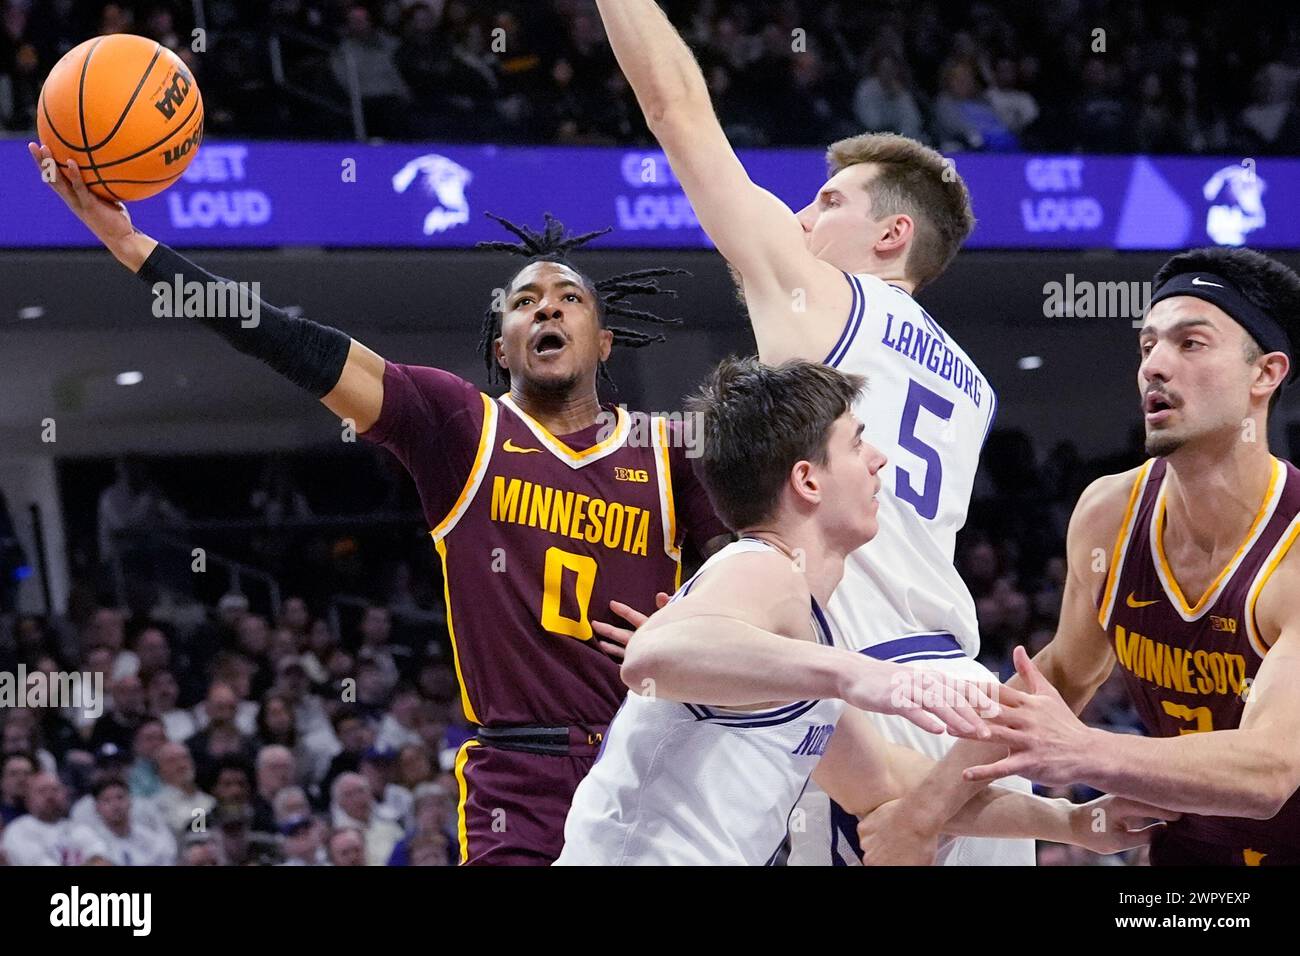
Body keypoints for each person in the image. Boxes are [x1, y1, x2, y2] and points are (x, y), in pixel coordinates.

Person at [31, 144, 730, 864]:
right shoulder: (458, 425)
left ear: (605, 341)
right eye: (524, 302)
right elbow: (292, 342)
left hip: (651, 752)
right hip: (522, 777)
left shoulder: (667, 447)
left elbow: (758, 571)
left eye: (569, 298)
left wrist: (695, 627)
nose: (546, 306)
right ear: (501, 345)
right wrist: (135, 247)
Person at [592, 0, 1031, 865]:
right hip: (971, 708)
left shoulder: (827, 298)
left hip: (871, 697)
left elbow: (675, 110)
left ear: (891, 234)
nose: (798, 220)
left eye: (827, 202)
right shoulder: (971, 384)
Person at [558, 358, 1170, 865]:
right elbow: (651, 657)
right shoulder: (761, 568)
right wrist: (861, 674)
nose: (878, 459)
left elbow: (890, 784)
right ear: (808, 481)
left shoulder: (799, 638)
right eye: (856, 443)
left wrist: (1072, 821)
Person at [885, 247, 1300, 866]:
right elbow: (1062, 676)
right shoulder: (1109, 512)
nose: (1155, 366)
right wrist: (919, 815)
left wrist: (1082, 749)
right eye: (1147, 345)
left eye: (1191, 344)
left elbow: (1270, 770)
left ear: (1264, 374)